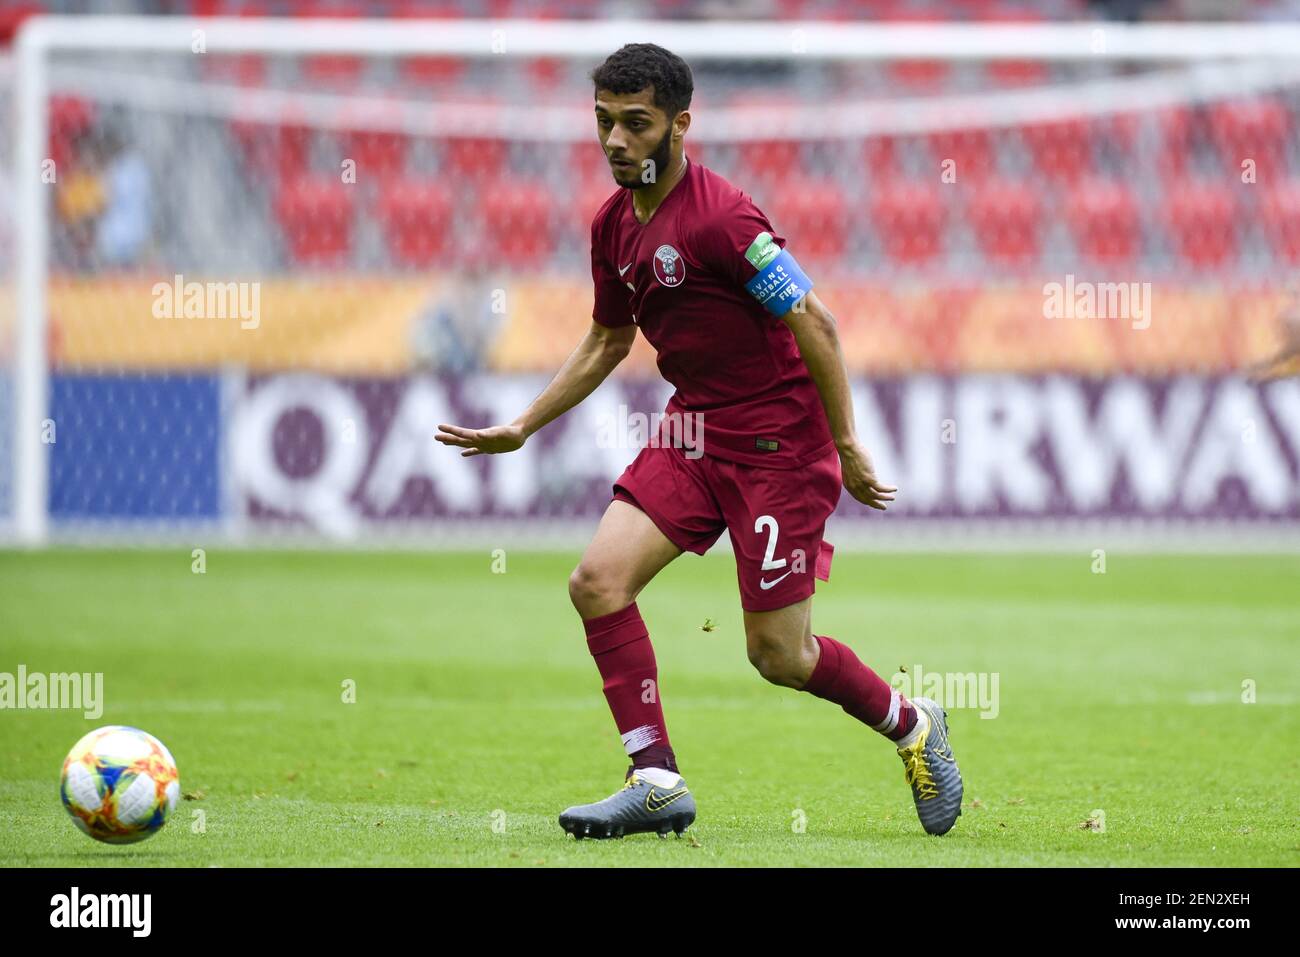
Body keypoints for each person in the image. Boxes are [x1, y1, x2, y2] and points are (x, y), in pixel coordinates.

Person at [436, 43, 963, 840]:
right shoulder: (612, 225)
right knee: (596, 582)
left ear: (680, 125)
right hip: (691, 430)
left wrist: (848, 443)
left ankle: (913, 725)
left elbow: (815, 320)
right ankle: (654, 775)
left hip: (779, 444)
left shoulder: (724, 219)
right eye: (604, 122)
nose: (616, 141)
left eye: (636, 124)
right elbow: (608, 341)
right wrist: (523, 424)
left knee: (779, 654)